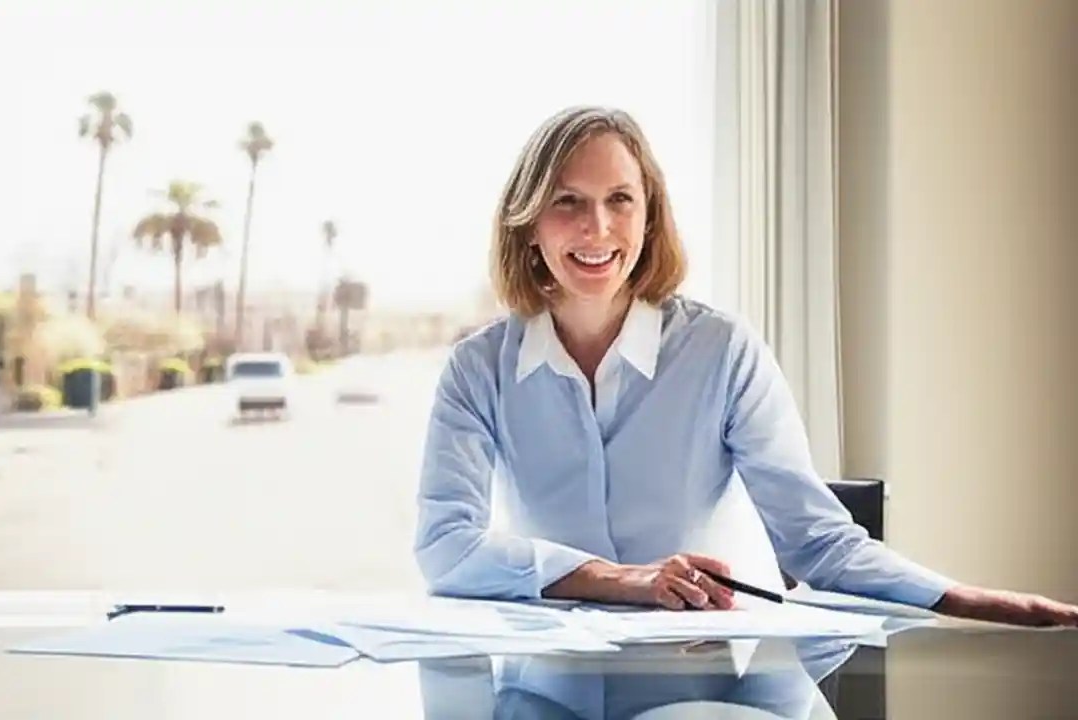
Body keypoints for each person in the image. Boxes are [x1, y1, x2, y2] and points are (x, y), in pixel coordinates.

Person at [413, 105, 1078, 628]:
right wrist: (618, 579)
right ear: (529, 224)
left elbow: (816, 543)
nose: (598, 228)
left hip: (711, 680)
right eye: (568, 201)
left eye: (620, 200)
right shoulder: (478, 370)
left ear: (650, 219)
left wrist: (963, 599)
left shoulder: (722, 352)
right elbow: (445, 545)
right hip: (546, 687)